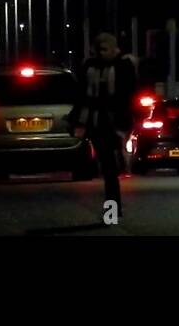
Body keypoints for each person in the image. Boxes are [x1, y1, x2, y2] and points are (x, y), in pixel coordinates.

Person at [69, 33, 136, 220]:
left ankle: (113, 210)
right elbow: (81, 94)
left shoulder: (124, 65)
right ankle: (113, 210)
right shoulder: (89, 66)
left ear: (113, 49)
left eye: (105, 49)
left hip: (116, 121)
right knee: (108, 168)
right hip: (97, 122)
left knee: (111, 168)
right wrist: (78, 120)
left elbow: (129, 94)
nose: (101, 53)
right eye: (98, 49)